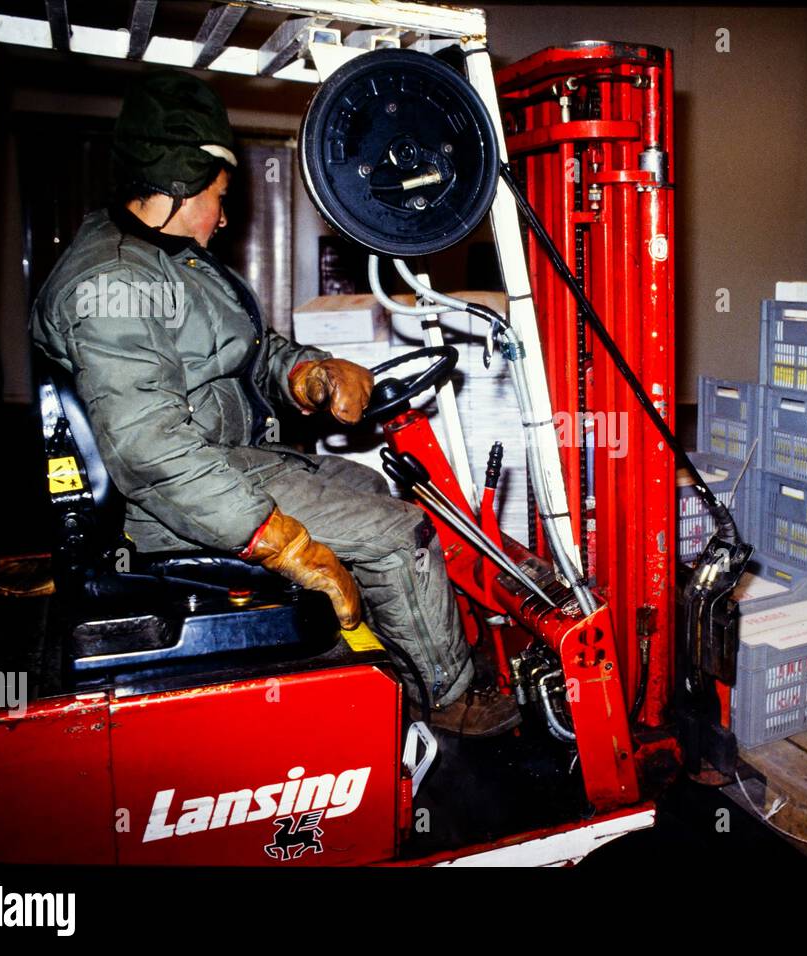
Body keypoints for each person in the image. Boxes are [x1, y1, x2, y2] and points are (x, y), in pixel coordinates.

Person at [30, 70, 518, 737]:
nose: (224, 217)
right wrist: (278, 540)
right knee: (402, 535)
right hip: (173, 504)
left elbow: (248, 349)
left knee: (367, 481)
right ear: (178, 187)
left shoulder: (166, 257)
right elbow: (150, 451)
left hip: (228, 460)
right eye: (218, 197)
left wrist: (306, 374)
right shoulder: (115, 284)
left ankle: (383, 660)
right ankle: (450, 698)